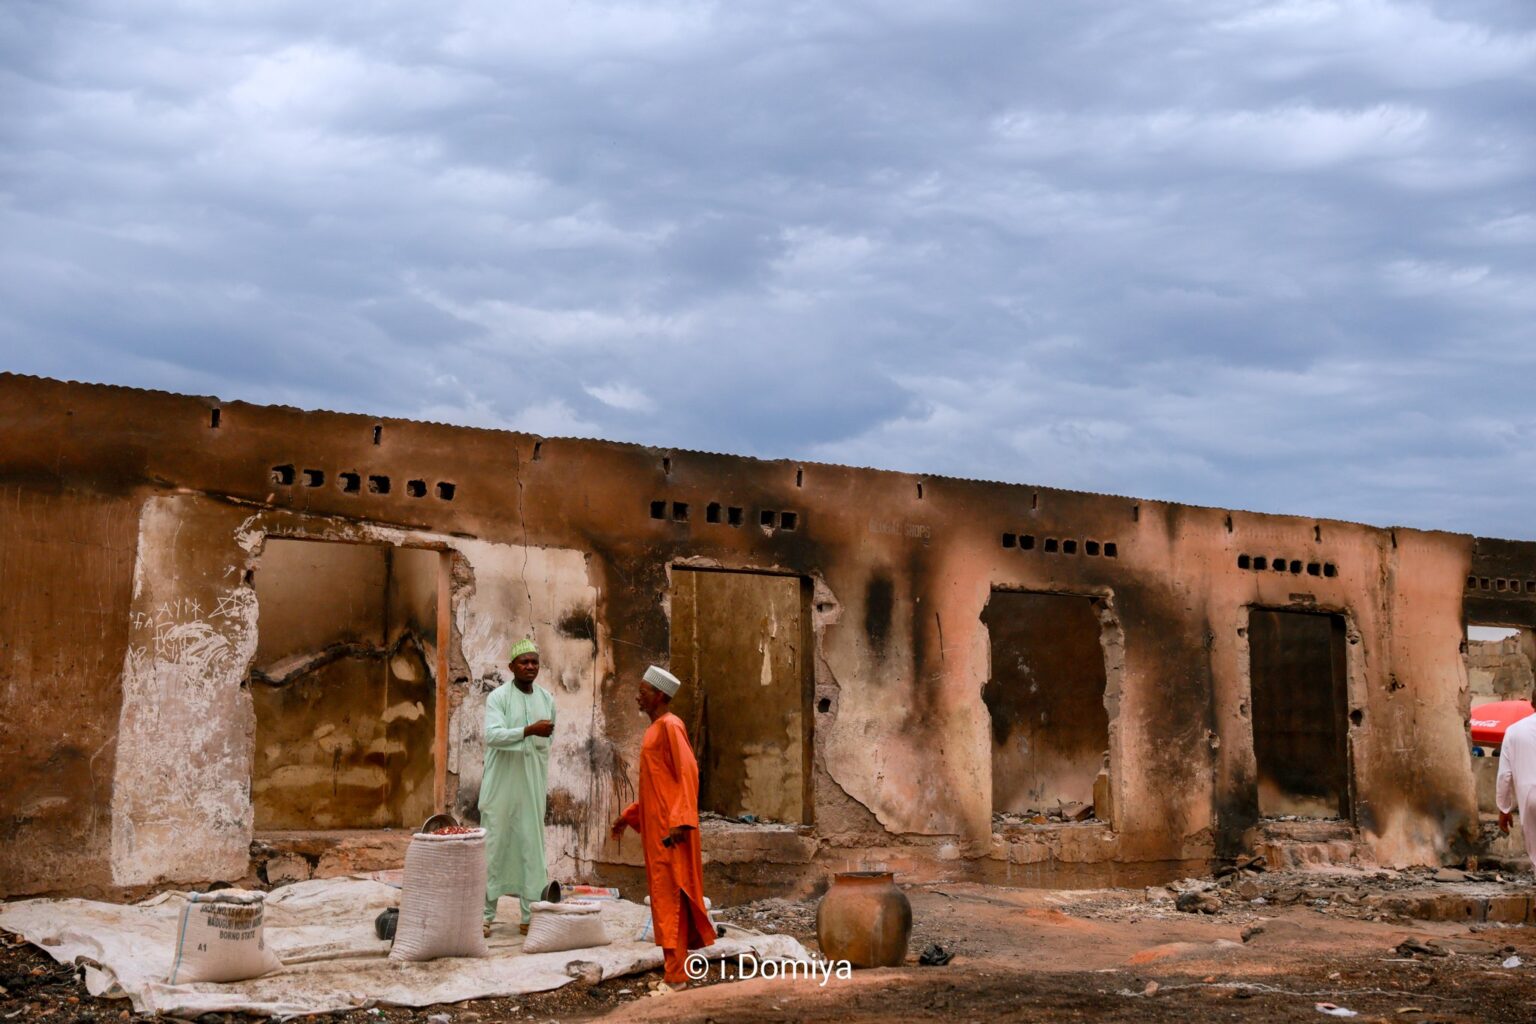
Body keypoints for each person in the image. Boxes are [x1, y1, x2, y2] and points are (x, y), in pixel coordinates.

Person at [610, 666, 717, 991]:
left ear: (658, 695)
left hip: (673, 832)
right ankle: (677, 969)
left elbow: (688, 773)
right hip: (660, 832)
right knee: (666, 896)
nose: (638, 695)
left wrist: (682, 821)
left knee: (671, 896)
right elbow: (657, 787)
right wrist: (629, 816)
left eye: (643, 690)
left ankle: (676, 975)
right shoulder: (655, 729)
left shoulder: (671, 726)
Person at [480, 637, 556, 936]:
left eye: (534, 661)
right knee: (494, 846)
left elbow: (548, 739)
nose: (530, 666)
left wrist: (533, 738)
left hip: (532, 786)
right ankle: (485, 916)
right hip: (501, 787)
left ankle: (530, 916)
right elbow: (493, 735)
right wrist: (527, 731)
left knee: (531, 848)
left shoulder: (547, 699)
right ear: (512, 667)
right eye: (524, 662)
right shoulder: (498, 697)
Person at [1497, 695, 1536, 862]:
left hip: (1530, 797)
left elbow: (1504, 775)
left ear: (1533, 702)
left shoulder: (1514, 731)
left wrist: (1504, 808)